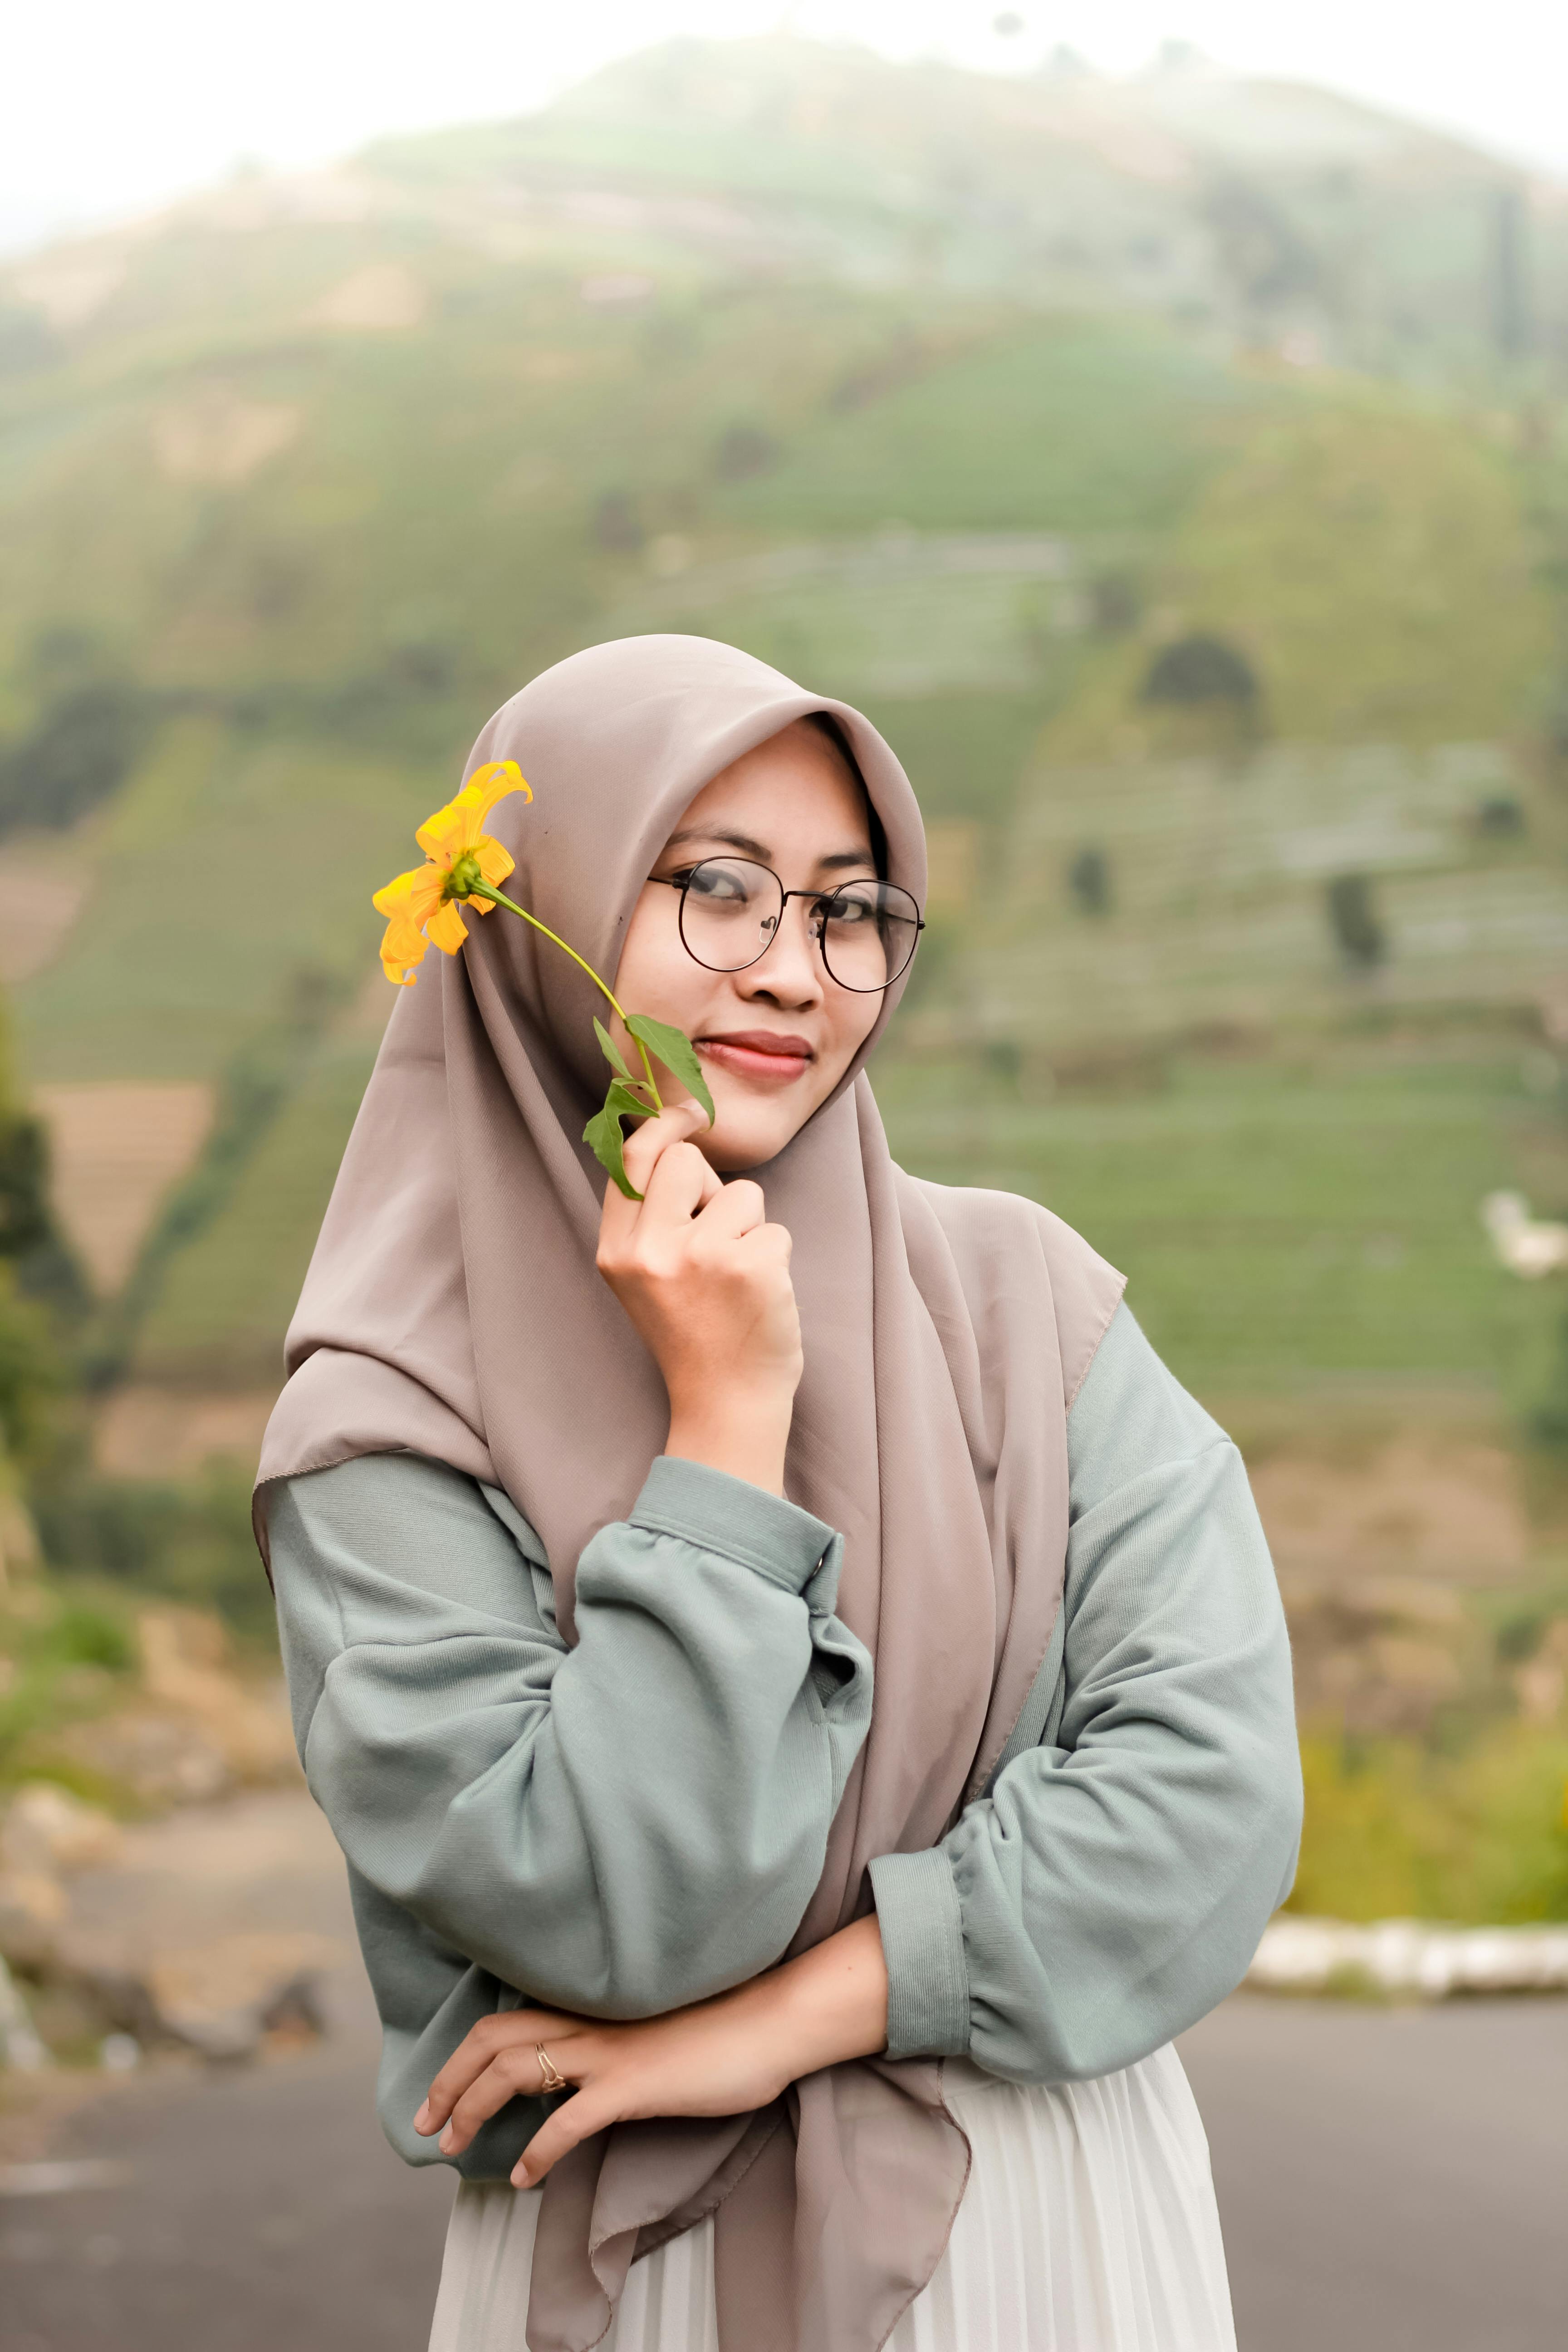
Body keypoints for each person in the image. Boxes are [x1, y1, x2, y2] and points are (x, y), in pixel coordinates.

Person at [256, 635, 1301, 2352]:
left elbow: (1217, 1794)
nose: (794, 973)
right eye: (717, 888)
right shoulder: (388, 1428)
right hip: (628, 2269)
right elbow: (611, 1911)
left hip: (1044, 2232)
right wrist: (727, 1422)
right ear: (548, 909)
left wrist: (792, 2018)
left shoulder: (1023, 1310)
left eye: (846, 910)